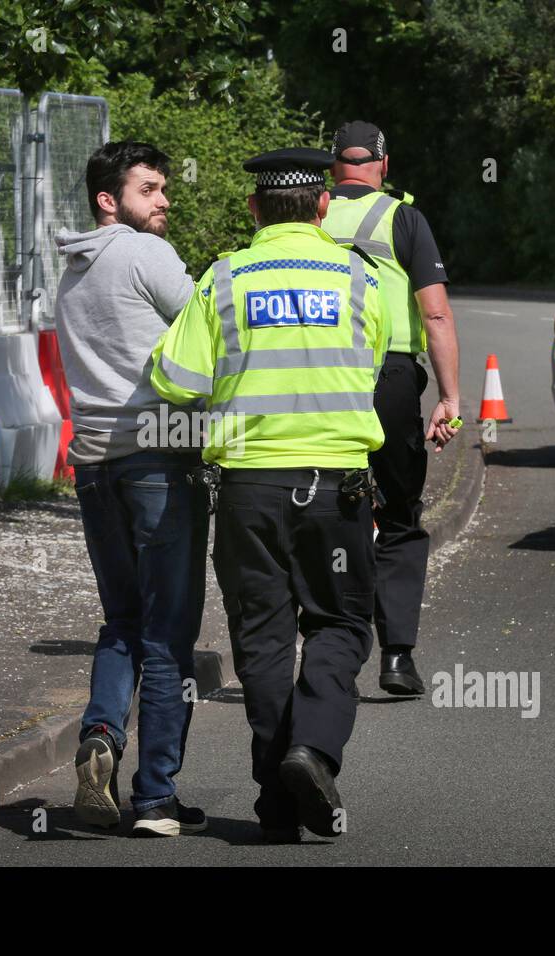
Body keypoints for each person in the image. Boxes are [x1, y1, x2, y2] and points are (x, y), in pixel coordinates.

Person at [150, 147, 389, 843]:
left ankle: (277, 805)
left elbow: (177, 380)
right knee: (341, 624)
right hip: (338, 486)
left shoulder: (224, 278)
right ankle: (311, 751)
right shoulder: (359, 277)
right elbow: (369, 362)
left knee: (262, 638)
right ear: (322, 207)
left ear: (254, 209)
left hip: (252, 487)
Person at [53, 141, 209, 837]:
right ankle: (155, 799)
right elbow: (210, 327)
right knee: (169, 633)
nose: (165, 199)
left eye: (164, 187)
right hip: (158, 460)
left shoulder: (74, 271)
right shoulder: (144, 254)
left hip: (93, 465)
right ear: (108, 200)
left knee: (121, 620)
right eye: (150, 188)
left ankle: (100, 739)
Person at [320, 120, 461, 696]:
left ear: (334, 167)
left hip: (323, 376)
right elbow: (435, 315)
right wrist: (450, 397)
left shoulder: (310, 213)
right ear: (383, 164)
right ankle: (397, 658)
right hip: (392, 381)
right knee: (399, 517)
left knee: (331, 513)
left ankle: (332, 657)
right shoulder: (404, 217)